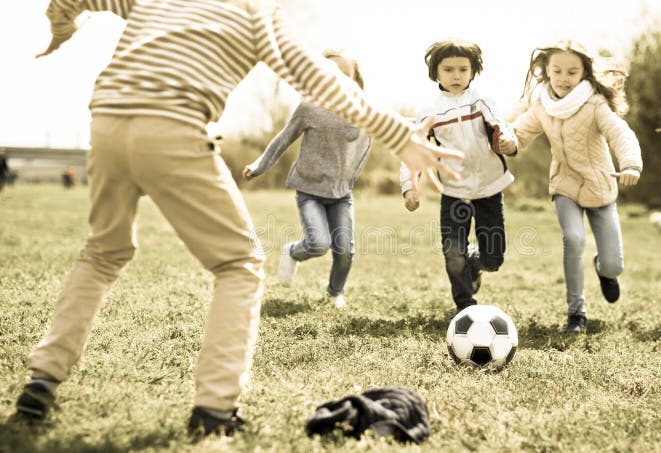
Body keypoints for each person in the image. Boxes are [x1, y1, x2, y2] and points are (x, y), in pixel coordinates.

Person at [16, 0, 463, 437]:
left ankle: (42, 380)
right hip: (172, 125)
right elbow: (322, 82)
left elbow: (67, 1)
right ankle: (215, 408)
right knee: (239, 265)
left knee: (102, 251)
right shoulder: (256, 15)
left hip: (108, 123)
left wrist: (60, 32)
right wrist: (397, 135)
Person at [512, 40, 643, 333]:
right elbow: (518, 133)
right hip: (564, 184)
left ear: (584, 73)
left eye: (572, 72)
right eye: (556, 71)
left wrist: (632, 164)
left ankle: (604, 271)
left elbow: (620, 133)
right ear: (546, 71)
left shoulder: (595, 104)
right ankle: (576, 313)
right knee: (573, 239)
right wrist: (504, 140)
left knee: (613, 265)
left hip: (600, 187)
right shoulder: (542, 106)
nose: (563, 78)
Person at [243, 49, 370, 308]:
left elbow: (394, 127)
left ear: (356, 81)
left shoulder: (362, 112)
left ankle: (335, 293)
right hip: (309, 189)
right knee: (319, 243)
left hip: (341, 193)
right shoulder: (309, 108)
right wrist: (259, 165)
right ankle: (292, 251)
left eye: (344, 75)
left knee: (345, 251)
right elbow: (283, 138)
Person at [400, 39, 518, 314]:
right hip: (453, 191)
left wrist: (509, 144)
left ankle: (476, 263)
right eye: (448, 69)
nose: (456, 76)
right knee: (453, 253)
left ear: (473, 71)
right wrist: (410, 186)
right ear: (436, 72)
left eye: (463, 69)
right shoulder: (429, 111)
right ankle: (465, 306)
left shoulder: (482, 101)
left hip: (489, 188)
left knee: (493, 259)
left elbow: (502, 129)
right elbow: (414, 150)